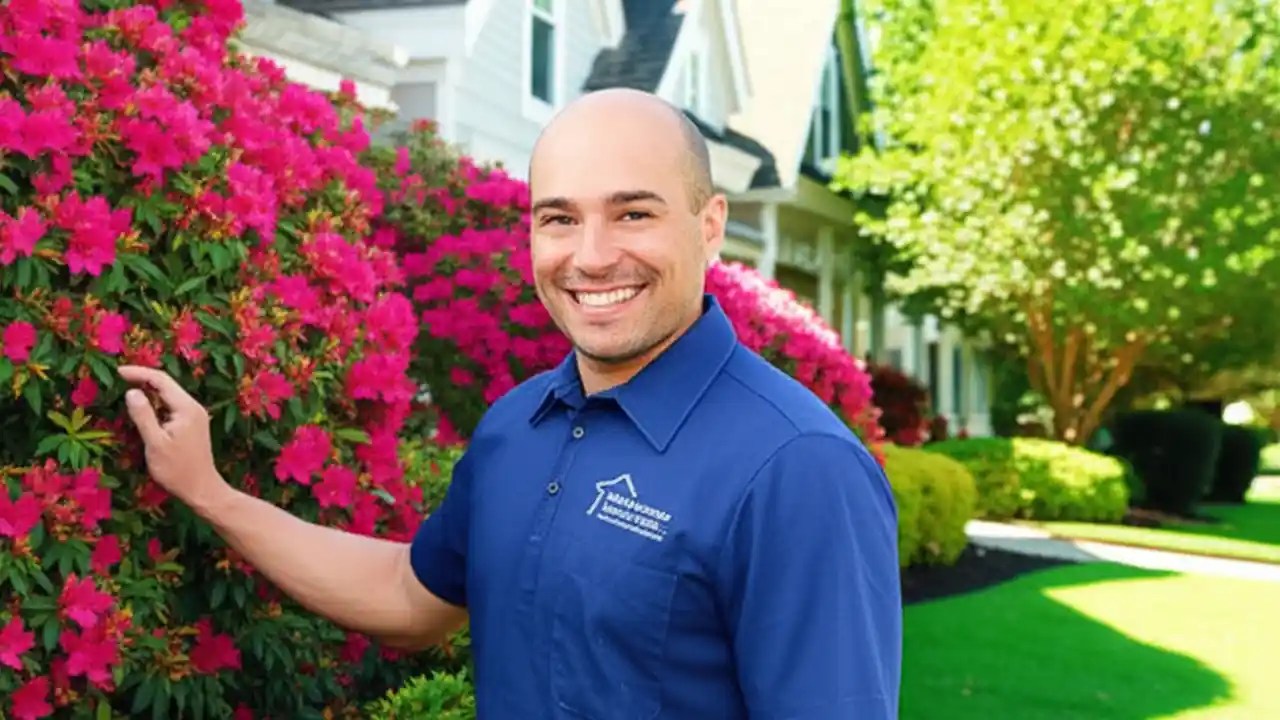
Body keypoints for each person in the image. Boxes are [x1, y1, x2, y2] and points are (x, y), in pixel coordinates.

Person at [118, 88, 901, 719]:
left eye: (633, 212)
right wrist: (208, 492)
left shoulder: (799, 468)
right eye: (559, 218)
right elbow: (409, 596)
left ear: (710, 225)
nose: (591, 257)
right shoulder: (517, 429)